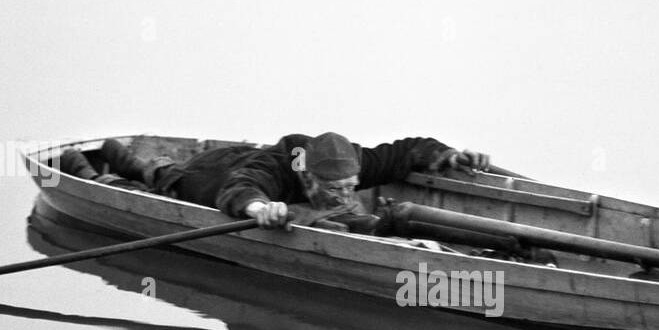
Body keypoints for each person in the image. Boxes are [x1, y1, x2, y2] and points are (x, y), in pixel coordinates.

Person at [89, 131, 490, 233]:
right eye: (335, 191)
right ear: (308, 177)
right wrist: (262, 209)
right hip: (206, 175)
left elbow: (407, 150)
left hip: (236, 162)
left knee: (157, 171)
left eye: (352, 186)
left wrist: (450, 156)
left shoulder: (347, 162)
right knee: (158, 176)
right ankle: (106, 157)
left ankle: (125, 160)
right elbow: (240, 188)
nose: (346, 196)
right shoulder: (276, 169)